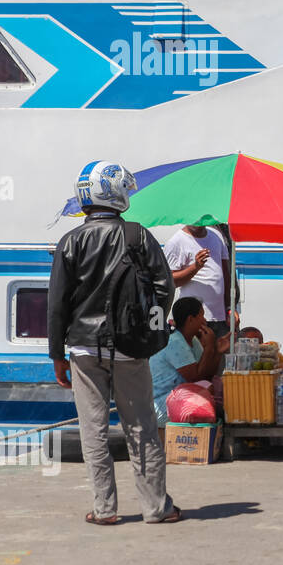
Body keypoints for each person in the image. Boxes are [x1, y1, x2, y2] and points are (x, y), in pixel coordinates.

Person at [47, 160, 181, 524]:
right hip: (129, 349)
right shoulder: (138, 236)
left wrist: (56, 354)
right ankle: (156, 507)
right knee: (141, 427)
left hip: (83, 350)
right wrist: (147, 327)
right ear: (118, 193)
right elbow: (164, 286)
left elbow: (57, 304)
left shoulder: (70, 242)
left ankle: (105, 509)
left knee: (93, 431)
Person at [150, 297, 228, 422]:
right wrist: (208, 348)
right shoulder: (175, 342)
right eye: (201, 316)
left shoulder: (193, 341)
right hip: (162, 405)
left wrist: (217, 352)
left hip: (179, 398)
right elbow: (196, 378)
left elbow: (206, 376)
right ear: (191, 319)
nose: (204, 320)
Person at [165, 223, 234, 336]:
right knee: (200, 353)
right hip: (193, 319)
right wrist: (195, 267)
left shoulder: (217, 235)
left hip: (220, 318)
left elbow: (225, 276)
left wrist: (229, 308)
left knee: (219, 352)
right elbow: (170, 282)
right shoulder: (176, 241)